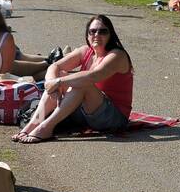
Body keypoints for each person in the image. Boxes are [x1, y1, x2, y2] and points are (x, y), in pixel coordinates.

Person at [15, 14, 133, 142]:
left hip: (114, 118)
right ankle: (32, 125)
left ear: (111, 35)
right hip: (87, 112)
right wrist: (52, 84)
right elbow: (55, 66)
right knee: (60, 75)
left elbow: (93, 76)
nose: (97, 35)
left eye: (103, 31)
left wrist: (58, 82)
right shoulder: (85, 51)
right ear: (87, 35)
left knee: (82, 83)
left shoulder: (117, 55)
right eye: (92, 31)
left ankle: (46, 127)